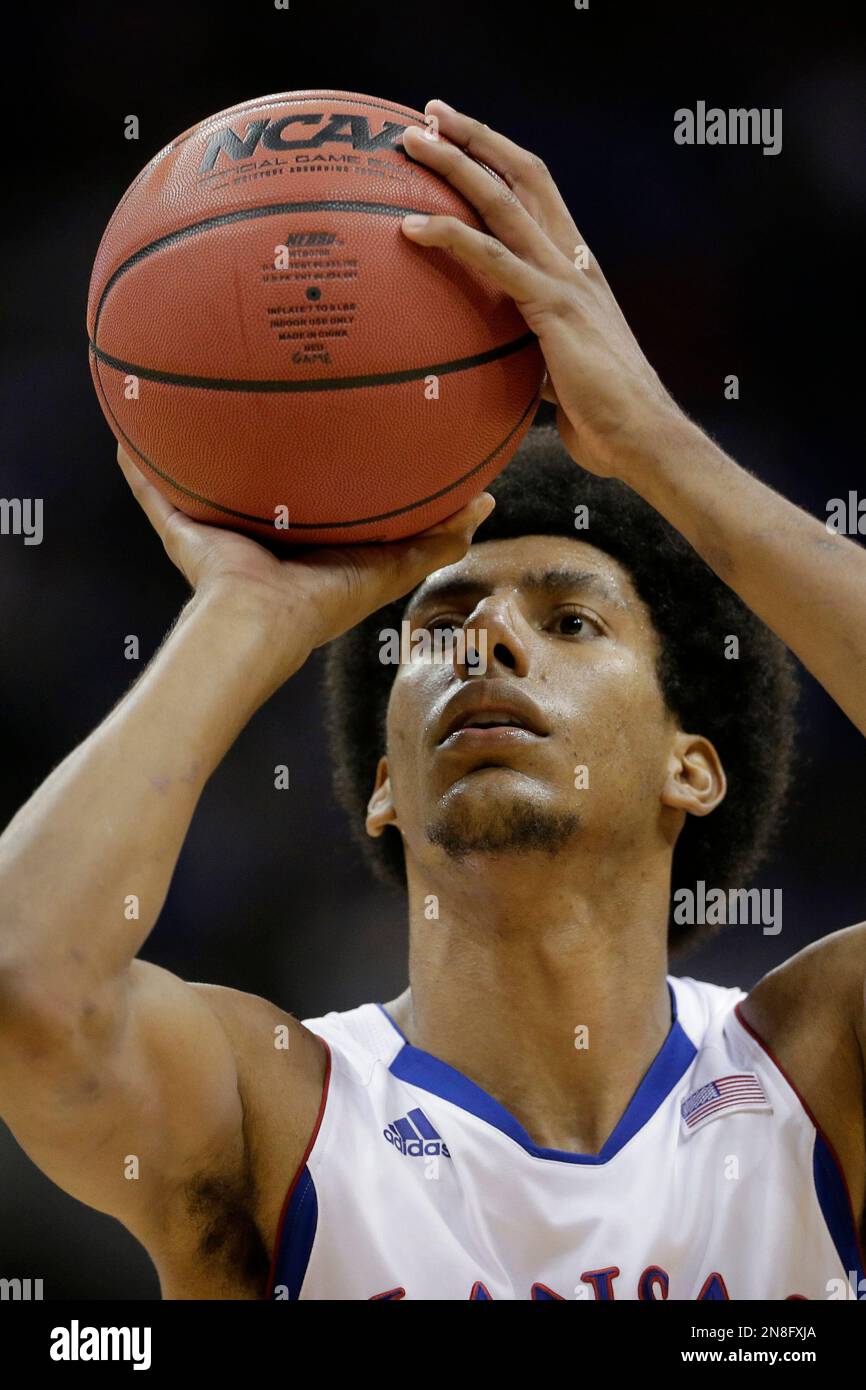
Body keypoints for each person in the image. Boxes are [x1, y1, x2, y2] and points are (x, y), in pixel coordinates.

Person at [0, 100, 863, 1300]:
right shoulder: (279, 1114)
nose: (488, 641)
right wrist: (247, 612)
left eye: (568, 620)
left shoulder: (816, 1073)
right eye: (436, 627)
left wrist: (661, 446)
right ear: (382, 788)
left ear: (692, 764)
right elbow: (23, 978)